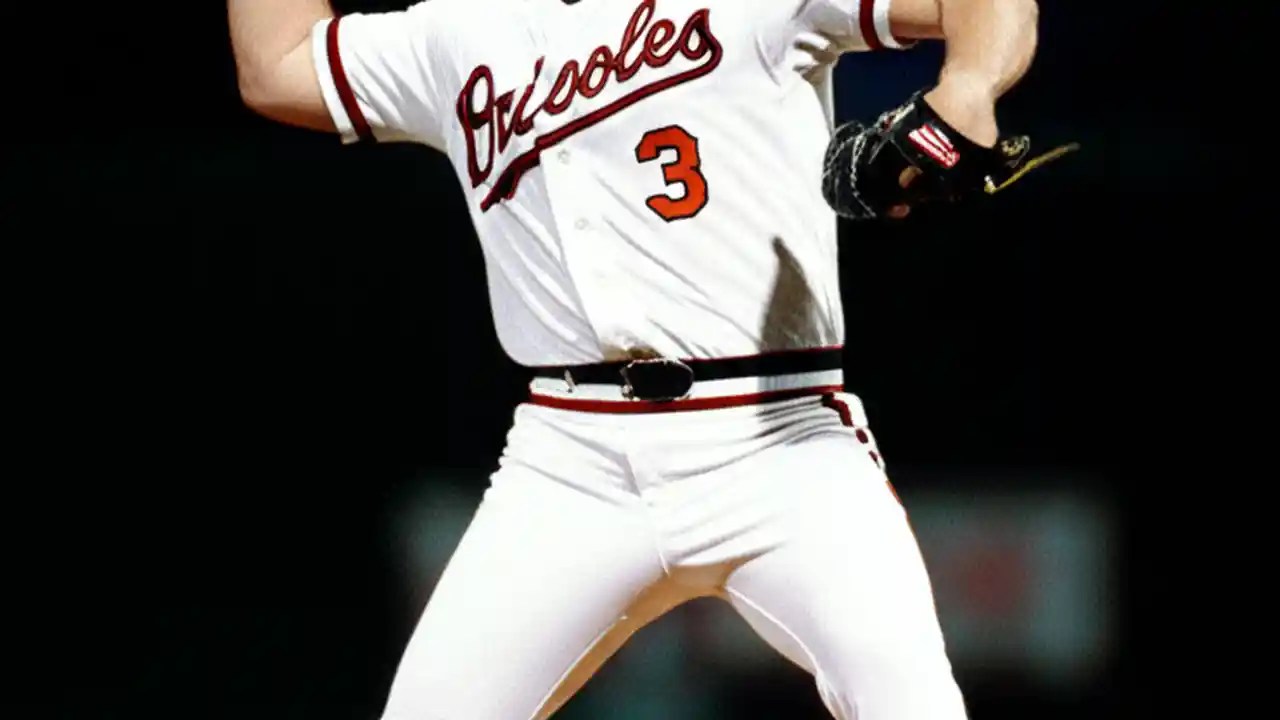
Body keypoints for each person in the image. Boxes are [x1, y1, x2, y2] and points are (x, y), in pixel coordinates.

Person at [227, 0, 1040, 717]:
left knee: (913, 703)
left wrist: (967, 88)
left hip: (780, 441)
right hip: (571, 459)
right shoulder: (460, 30)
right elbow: (280, 66)